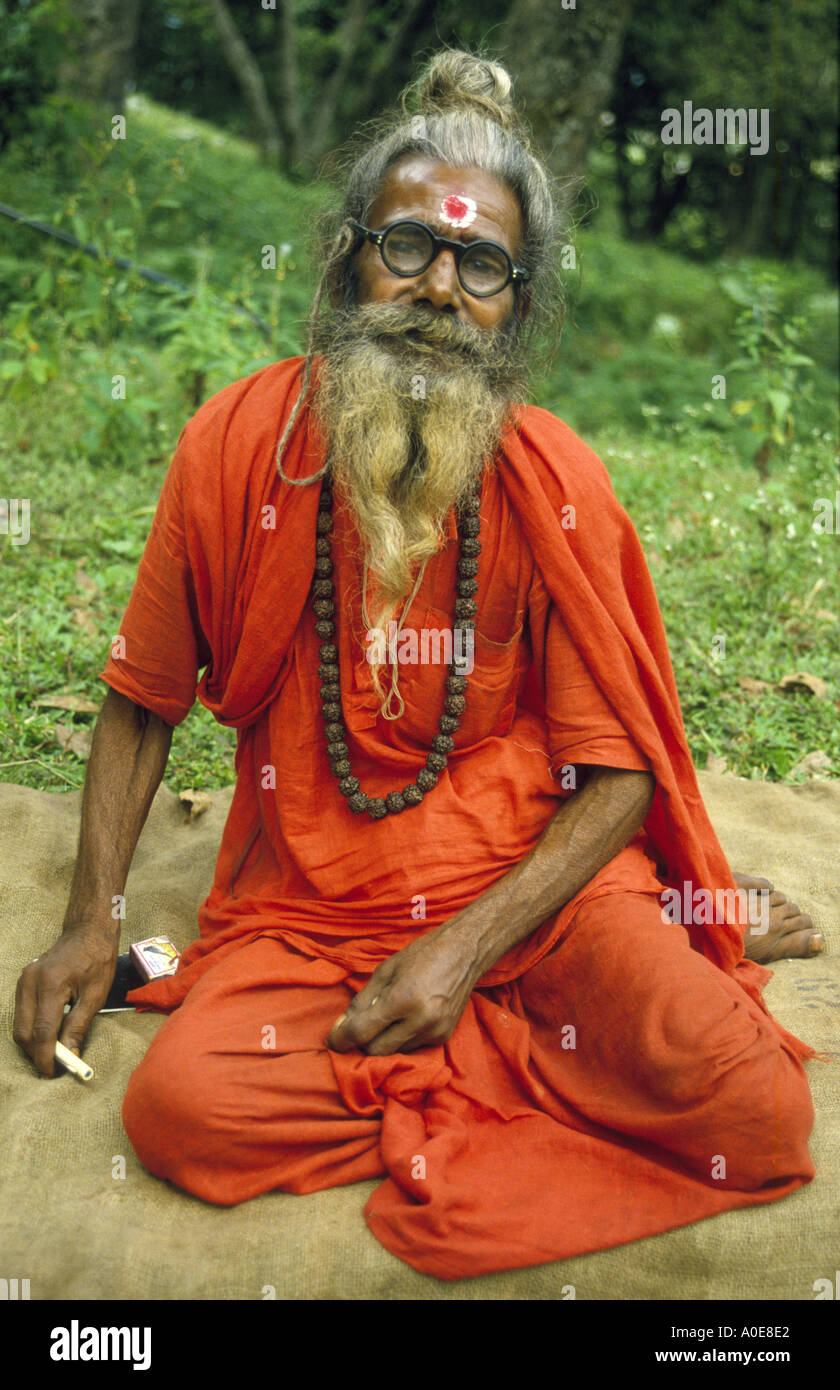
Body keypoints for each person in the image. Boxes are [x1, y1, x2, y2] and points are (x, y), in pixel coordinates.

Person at [13, 50, 822, 1280]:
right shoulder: (233, 447)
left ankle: (525, 999)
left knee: (752, 1111)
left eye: (482, 265)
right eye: (409, 247)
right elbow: (139, 703)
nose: (440, 289)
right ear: (348, 257)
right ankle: (540, 1046)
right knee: (183, 1113)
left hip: (533, 900)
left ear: (517, 302)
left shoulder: (558, 485)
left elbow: (616, 779)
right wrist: (91, 923)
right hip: (313, 910)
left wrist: (463, 953)